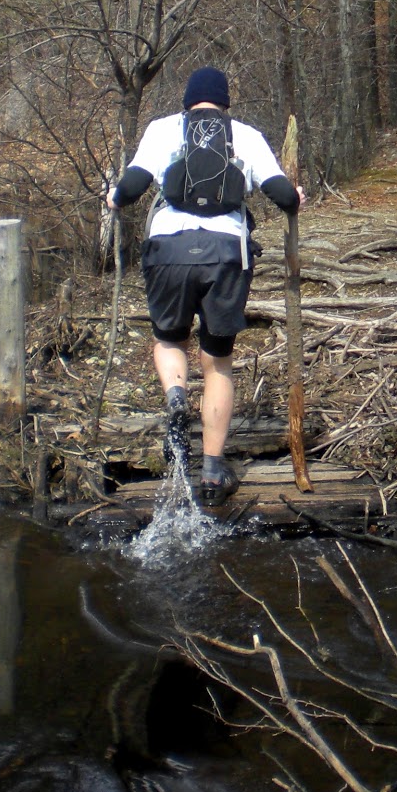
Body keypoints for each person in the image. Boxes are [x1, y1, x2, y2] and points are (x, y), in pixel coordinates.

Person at [106, 66, 303, 505]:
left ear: (188, 101)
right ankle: (213, 471)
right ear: (225, 103)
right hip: (225, 254)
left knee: (169, 338)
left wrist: (114, 198)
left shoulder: (163, 131)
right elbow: (283, 196)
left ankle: (177, 398)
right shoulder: (246, 137)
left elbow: (133, 186)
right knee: (218, 362)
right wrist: (297, 196)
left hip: (169, 251)